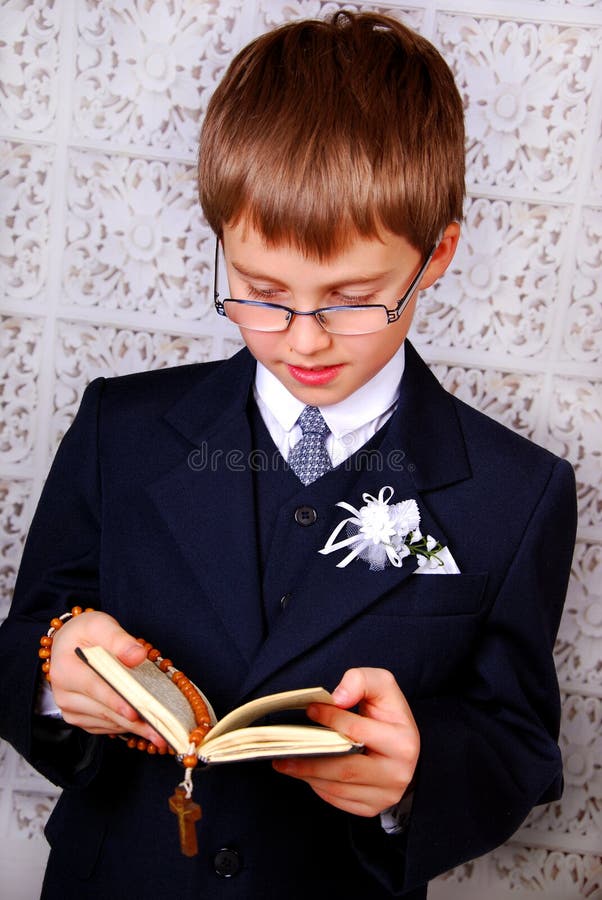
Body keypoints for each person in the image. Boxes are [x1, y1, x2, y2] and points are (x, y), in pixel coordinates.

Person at [0, 11, 576, 899]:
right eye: (260, 293)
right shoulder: (123, 428)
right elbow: (24, 642)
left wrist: (413, 777)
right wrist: (53, 666)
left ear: (435, 258)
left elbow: (522, 746)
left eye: (350, 299)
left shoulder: (517, 493)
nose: (302, 340)